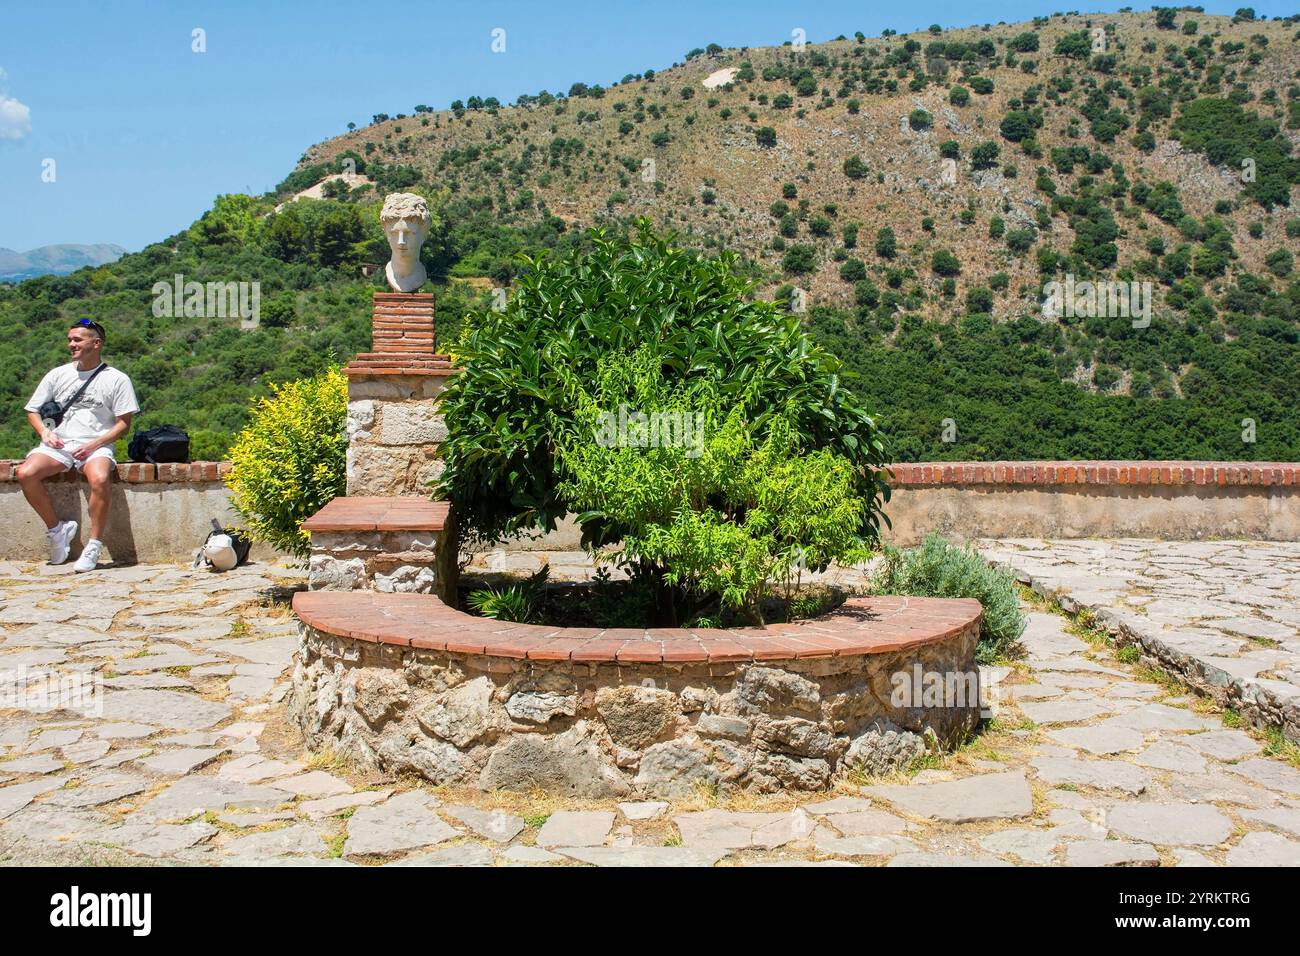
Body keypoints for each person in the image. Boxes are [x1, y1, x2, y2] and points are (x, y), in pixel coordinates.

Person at [17, 319, 139, 571]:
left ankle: (93, 545)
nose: (71, 344)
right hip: (59, 443)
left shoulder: (116, 379)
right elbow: (32, 410)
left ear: (96, 343)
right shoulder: (58, 374)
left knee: (98, 478)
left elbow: (123, 424)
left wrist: (96, 444)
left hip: (96, 443)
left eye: (77, 339)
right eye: (70, 339)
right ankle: (57, 530)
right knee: (25, 473)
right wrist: (44, 432)